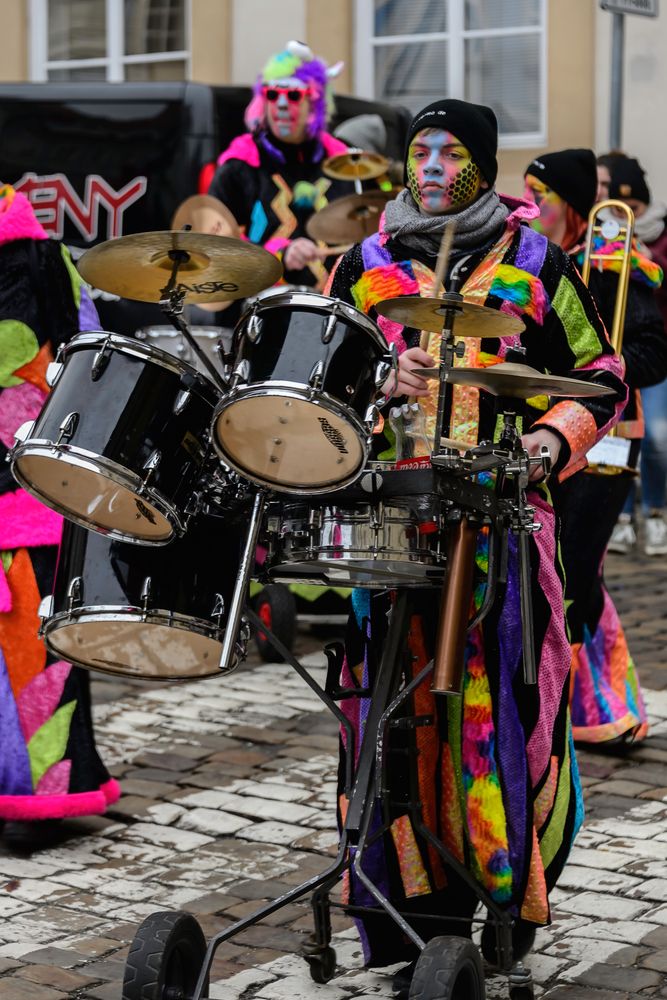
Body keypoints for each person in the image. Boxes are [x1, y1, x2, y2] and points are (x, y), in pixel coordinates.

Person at [325, 101, 626, 991]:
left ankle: (499, 889)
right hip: (385, 514)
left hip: (498, 522)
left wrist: (548, 441)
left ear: (482, 164)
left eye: (447, 152)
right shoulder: (363, 259)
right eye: (417, 150)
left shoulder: (538, 259)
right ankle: (400, 905)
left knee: (498, 706)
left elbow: (600, 373)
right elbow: (321, 370)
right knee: (381, 704)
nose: (426, 165)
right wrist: (379, 375)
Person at [524, 149, 666, 747]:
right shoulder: (529, 263)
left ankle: (562, 708)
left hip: (609, 441)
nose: (531, 206)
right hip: (554, 436)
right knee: (568, 569)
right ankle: (603, 705)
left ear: (573, 208)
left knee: (574, 570)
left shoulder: (618, 266)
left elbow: (657, 351)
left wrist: (597, 374)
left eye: (543, 196)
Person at [0, 183, 119, 848]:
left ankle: (43, 797)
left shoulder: (41, 259)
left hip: (26, 496)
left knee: (34, 659)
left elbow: (84, 354)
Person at [207, 39, 350, 289]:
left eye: (294, 96)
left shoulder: (341, 163)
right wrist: (279, 254)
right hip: (258, 311)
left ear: (314, 103)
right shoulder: (240, 164)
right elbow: (215, 243)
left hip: (332, 309)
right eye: (273, 94)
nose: (281, 105)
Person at [607, 157, 667, 556]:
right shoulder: (605, 235)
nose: (632, 212)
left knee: (658, 438)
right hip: (622, 351)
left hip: (660, 353)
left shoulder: (662, 235)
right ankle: (623, 519)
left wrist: (644, 256)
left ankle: (657, 514)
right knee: (619, 434)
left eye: (637, 207)